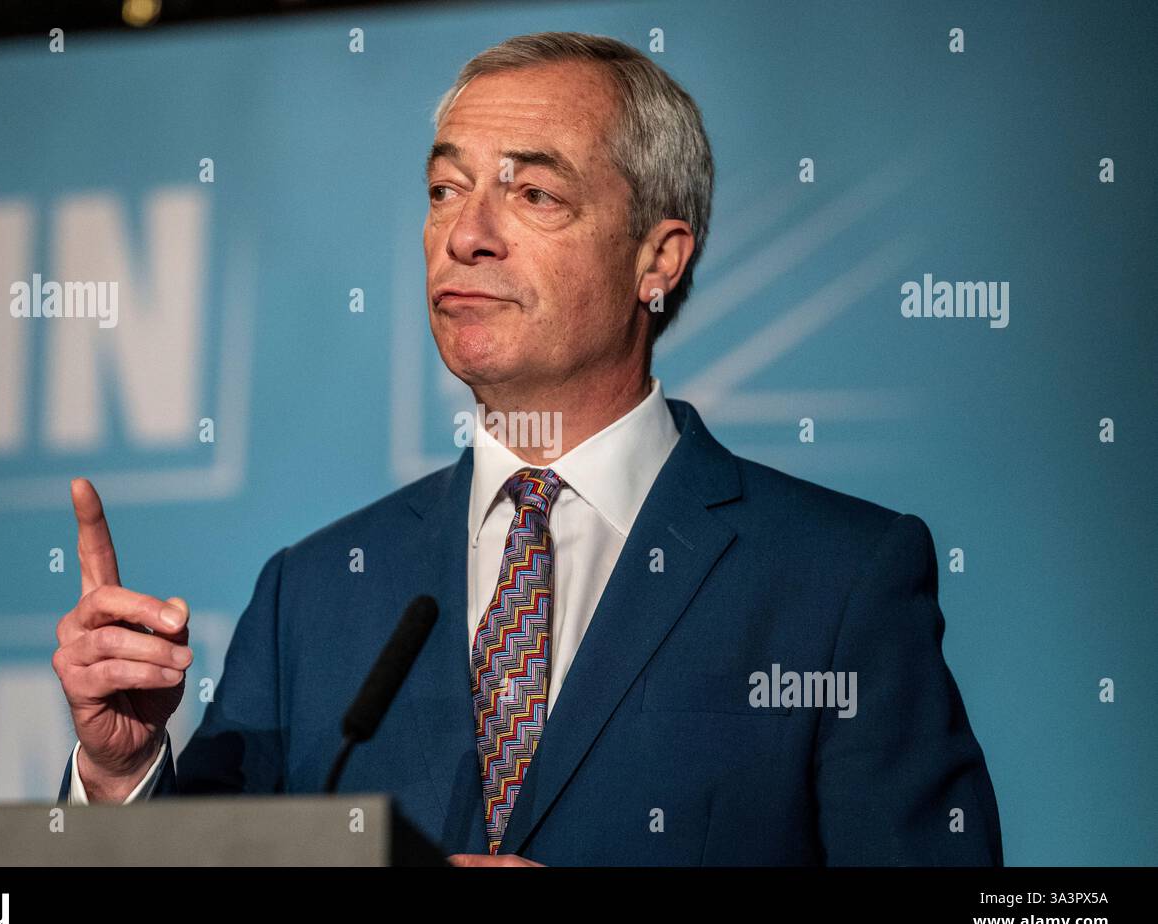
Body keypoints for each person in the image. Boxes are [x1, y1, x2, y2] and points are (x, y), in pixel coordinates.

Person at [53, 32, 1002, 866]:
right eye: (444, 189)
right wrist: (121, 773)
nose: (465, 235)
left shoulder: (835, 578)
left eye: (534, 193)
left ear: (658, 259)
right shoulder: (316, 592)